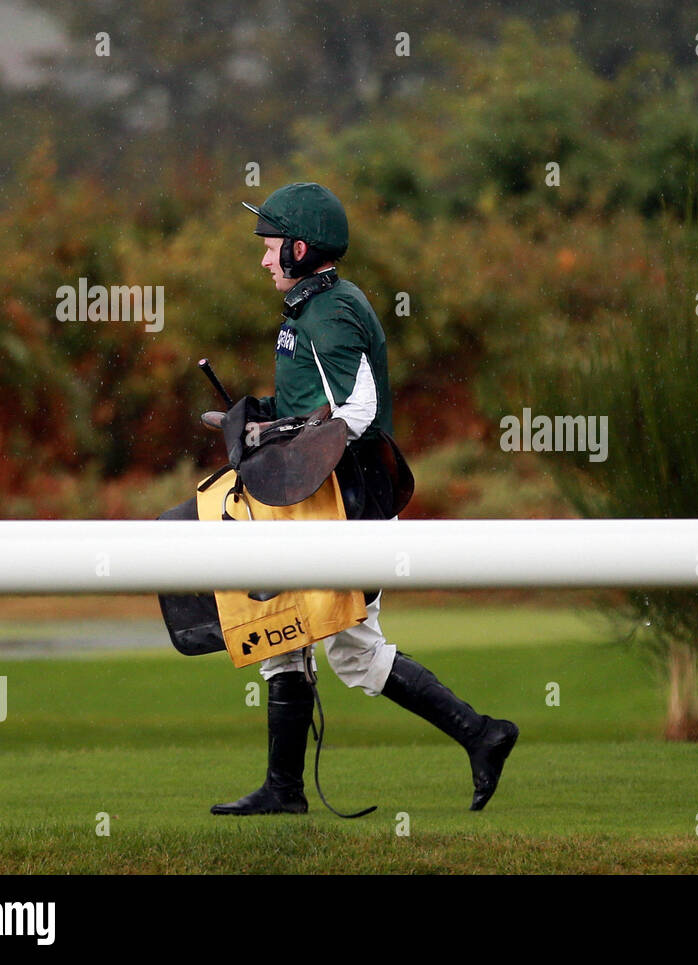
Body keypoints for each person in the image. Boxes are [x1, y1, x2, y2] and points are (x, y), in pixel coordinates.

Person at [206, 181, 518, 815]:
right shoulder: (309, 305)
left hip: (351, 500)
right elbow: (313, 407)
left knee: (353, 651)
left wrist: (274, 431)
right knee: (281, 636)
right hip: (320, 498)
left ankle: (483, 734)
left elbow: (358, 412)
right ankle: (284, 790)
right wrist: (256, 416)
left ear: (299, 247)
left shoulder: (333, 310)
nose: (263, 258)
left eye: (269, 247)